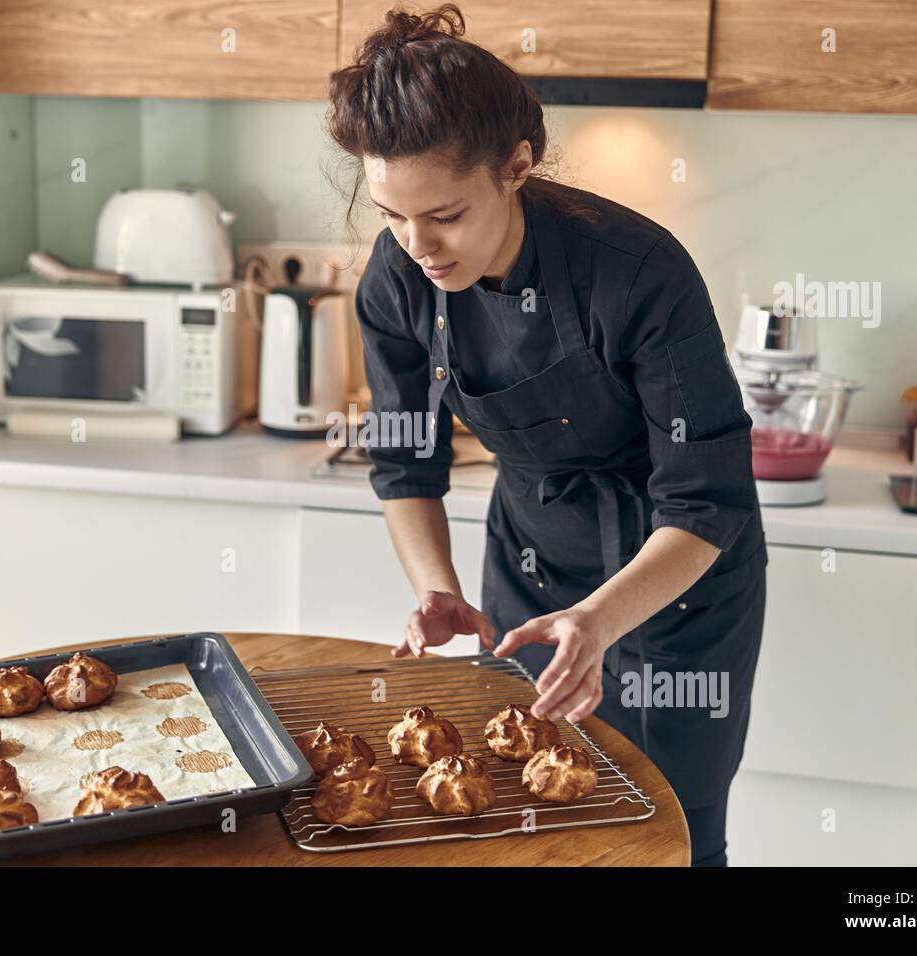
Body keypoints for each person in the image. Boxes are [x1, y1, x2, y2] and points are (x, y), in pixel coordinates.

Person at [327, 4, 768, 866]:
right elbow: (404, 460)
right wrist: (436, 588)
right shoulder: (399, 275)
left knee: (666, 826)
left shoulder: (638, 273)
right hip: (531, 570)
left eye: (445, 214)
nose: (418, 246)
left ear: (517, 166)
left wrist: (599, 624)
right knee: (528, 815)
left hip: (676, 583)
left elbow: (706, 498)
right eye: (392, 215)